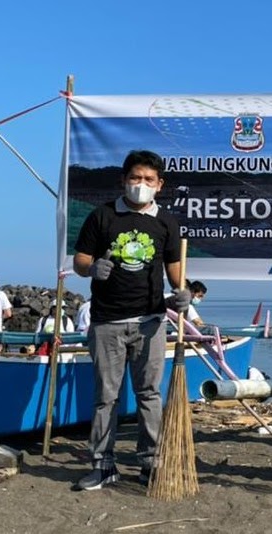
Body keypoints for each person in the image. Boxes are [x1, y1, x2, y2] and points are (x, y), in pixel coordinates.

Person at [71, 149, 189, 491]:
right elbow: (80, 259)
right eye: (135, 178)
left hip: (150, 322)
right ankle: (103, 465)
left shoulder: (166, 222)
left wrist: (183, 293)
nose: (141, 185)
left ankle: (150, 463)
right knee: (105, 396)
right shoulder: (102, 216)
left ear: (160, 184)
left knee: (149, 393)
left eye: (148, 180)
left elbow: (174, 269)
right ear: (124, 180)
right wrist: (92, 268)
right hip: (107, 321)